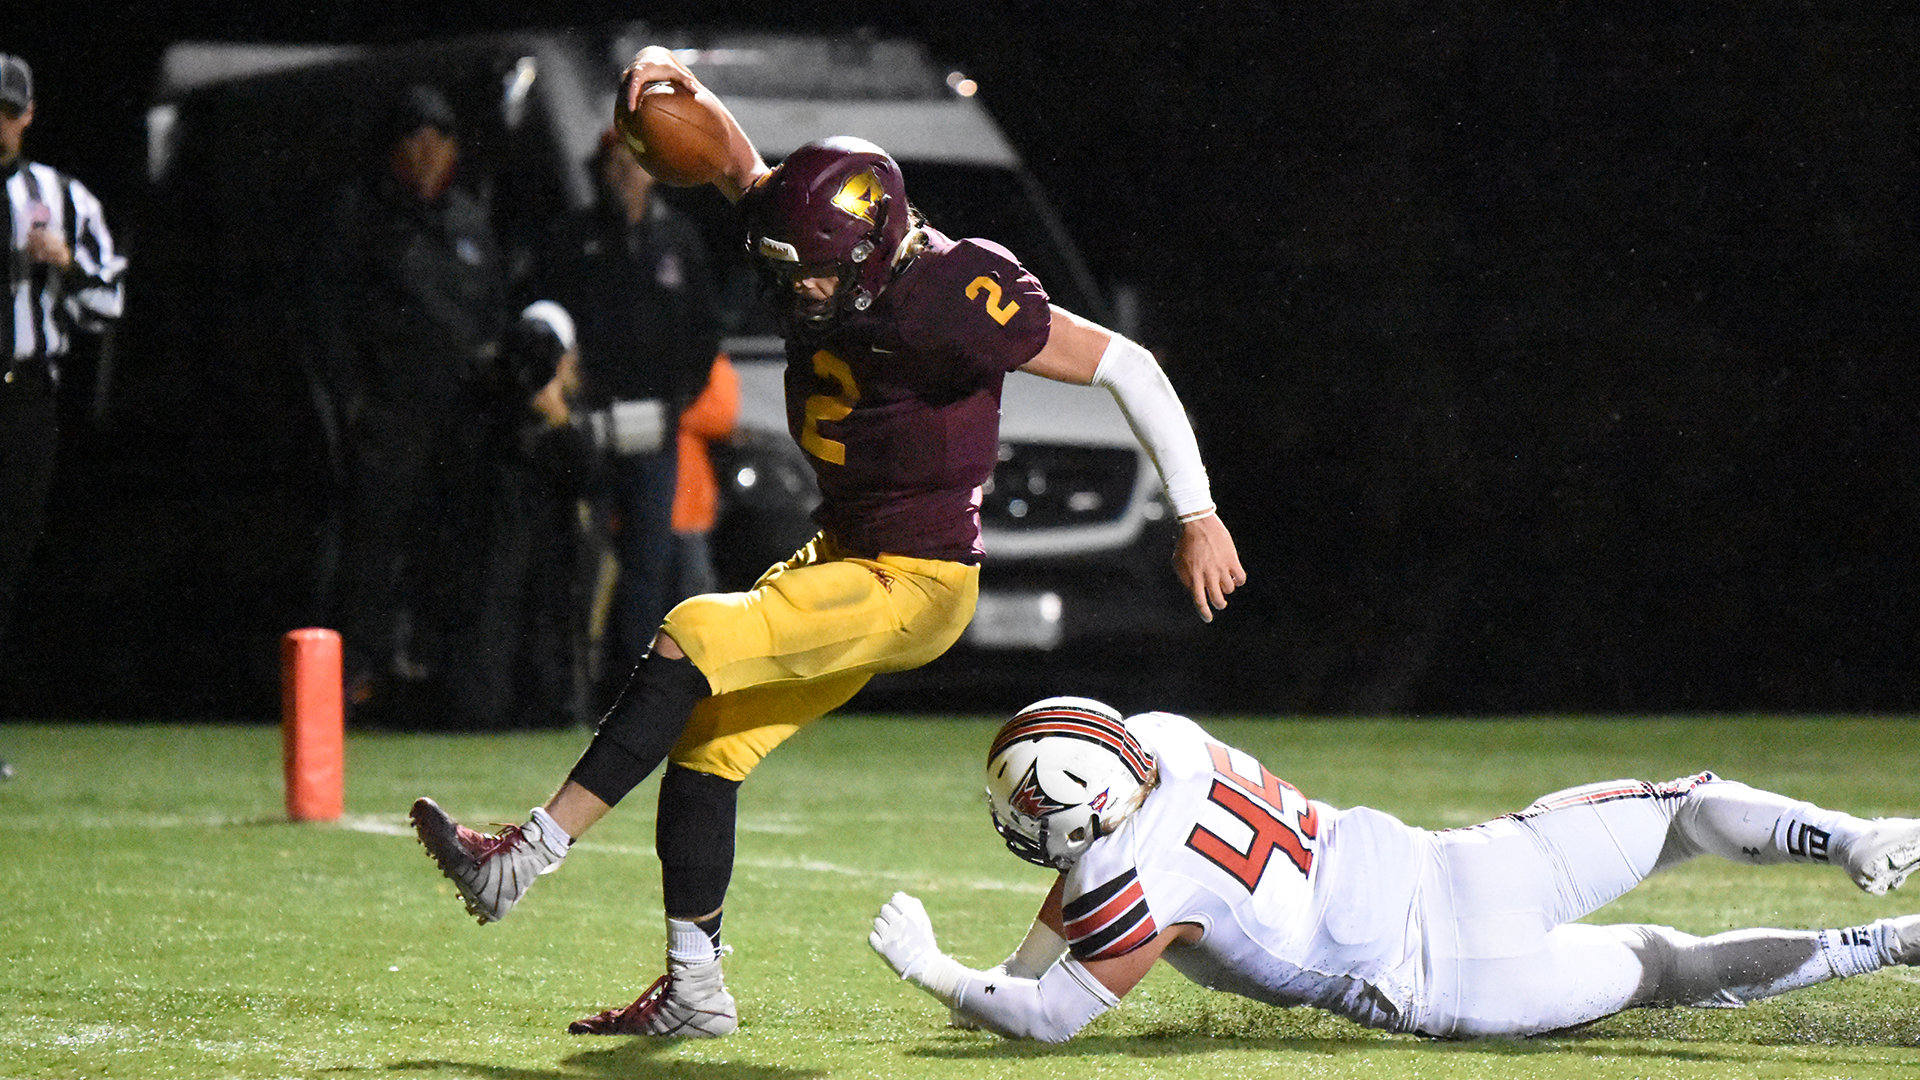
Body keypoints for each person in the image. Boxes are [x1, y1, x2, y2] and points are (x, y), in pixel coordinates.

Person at [409, 45, 1247, 1039]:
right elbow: (728, 157)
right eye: (785, 270)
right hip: (843, 553)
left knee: (688, 629)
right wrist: (667, 71)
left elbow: (1131, 366)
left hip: (915, 580)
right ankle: (694, 987)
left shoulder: (955, 295)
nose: (796, 291)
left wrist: (1194, 512)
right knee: (709, 750)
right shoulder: (813, 231)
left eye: (811, 275)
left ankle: (523, 860)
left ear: (871, 250)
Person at [866, 697, 1920, 1041]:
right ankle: (1847, 838)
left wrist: (942, 974)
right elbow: (1084, 885)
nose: (1017, 819)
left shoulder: (1129, 888)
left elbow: (1048, 1016)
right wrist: (1012, 959)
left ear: (1083, 807)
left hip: (1453, 987)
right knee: (1689, 811)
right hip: (1465, 870)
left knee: (1664, 966)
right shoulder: (1167, 737)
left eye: (1028, 805)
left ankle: (1881, 945)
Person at [318, 84, 507, 714]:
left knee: (447, 550)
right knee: (371, 552)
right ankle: (356, 679)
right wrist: (352, 400)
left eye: (439, 138)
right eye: (415, 138)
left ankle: (433, 680)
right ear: (396, 148)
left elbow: (491, 315)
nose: (428, 152)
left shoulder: (469, 219)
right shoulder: (363, 216)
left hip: (460, 419)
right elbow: (330, 318)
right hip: (390, 414)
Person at [538, 126, 722, 697]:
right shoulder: (573, 238)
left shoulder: (679, 240)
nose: (626, 175)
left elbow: (703, 331)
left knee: (649, 565)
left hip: (656, 430)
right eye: (615, 164)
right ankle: (570, 688)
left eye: (635, 163)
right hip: (586, 428)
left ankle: (629, 694)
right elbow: (546, 317)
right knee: (582, 563)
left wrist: (679, 399)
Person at [1, 53, 126, 653]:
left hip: (24, 390)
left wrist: (66, 263)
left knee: (10, 553)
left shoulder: (62, 195)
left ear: (27, 116)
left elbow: (109, 303)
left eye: (6, 111)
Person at [441, 301, 594, 730]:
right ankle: (483, 709)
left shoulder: (571, 411)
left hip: (547, 535)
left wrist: (558, 420)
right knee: (491, 610)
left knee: (545, 619)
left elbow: (587, 477)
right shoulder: (485, 404)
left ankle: (546, 708)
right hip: (498, 525)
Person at [668, 353, 739, 599]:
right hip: (648, 511)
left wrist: (666, 410)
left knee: (692, 597)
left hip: (688, 511)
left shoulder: (707, 359)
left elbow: (722, 414)